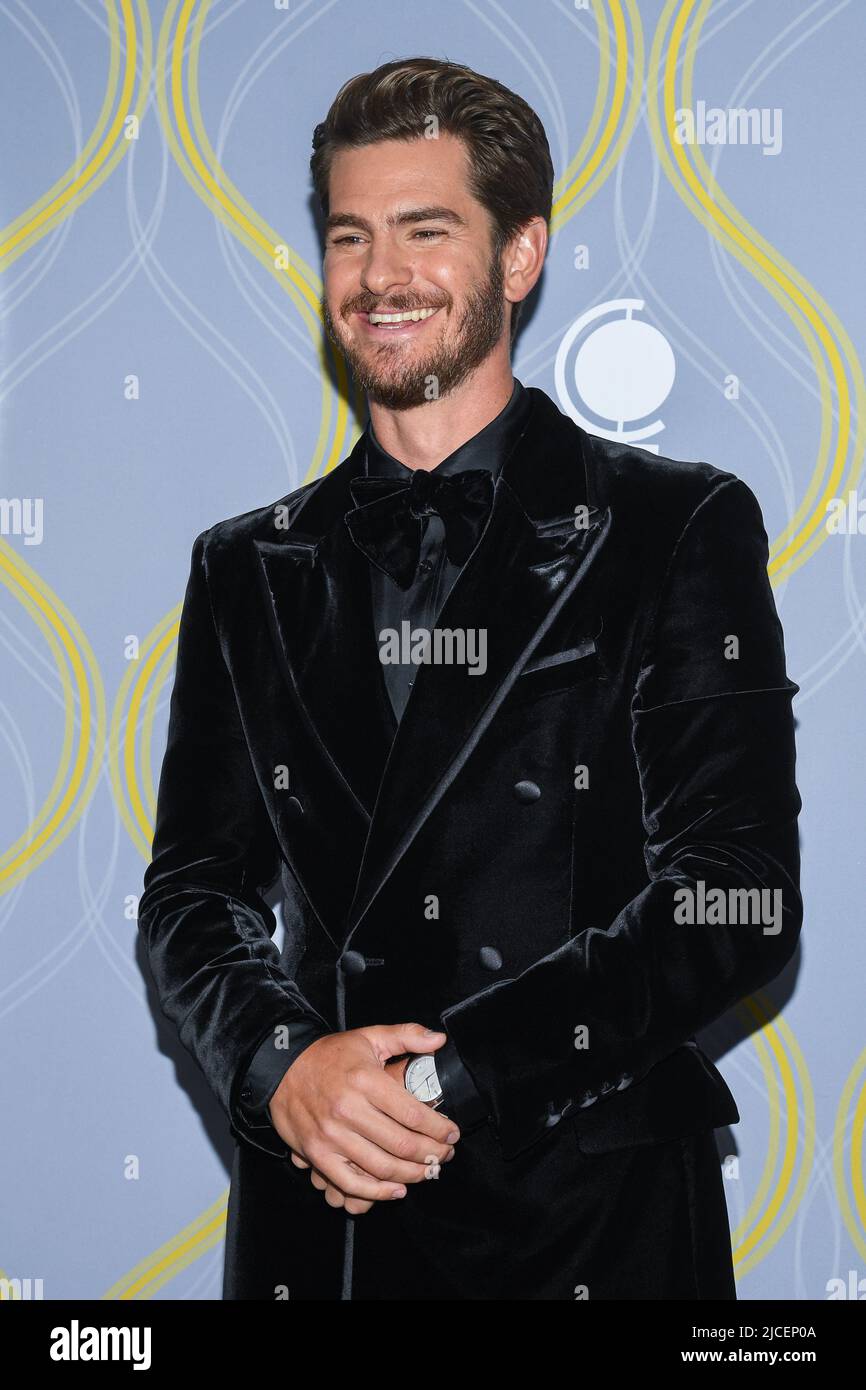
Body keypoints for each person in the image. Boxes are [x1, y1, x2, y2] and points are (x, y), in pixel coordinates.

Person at [138, 57, 803, 1301]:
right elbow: (193, 889)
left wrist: (426, 1085)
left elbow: (736, 894)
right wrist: (284, 1066)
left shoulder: (670, 525)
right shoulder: (245, 565)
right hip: (323, 1226)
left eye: (423, 231)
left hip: (582, 1224)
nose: (380, 277)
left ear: (518, 255)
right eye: (350, 237)